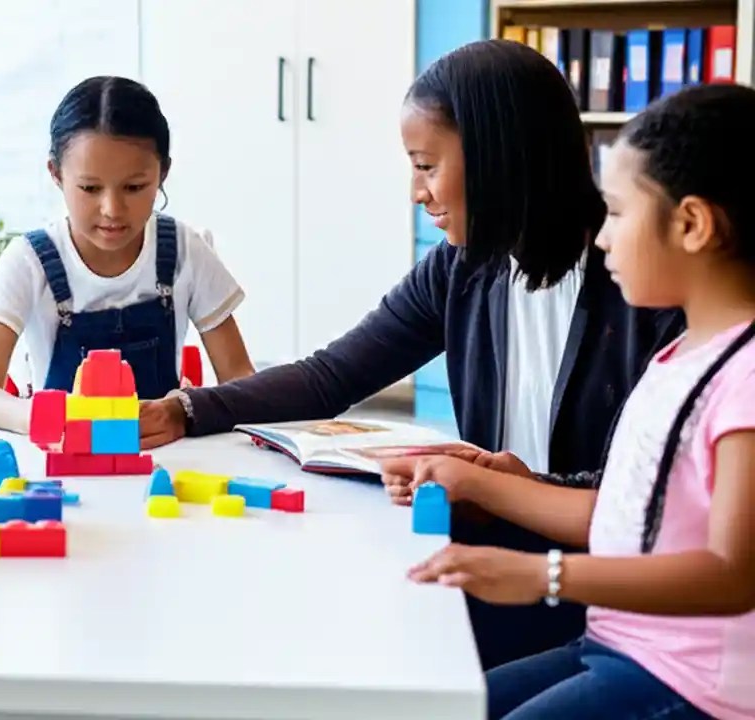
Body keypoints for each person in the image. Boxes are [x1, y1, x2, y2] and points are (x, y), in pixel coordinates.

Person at [138, 39, 684, 669]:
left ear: (495, 156)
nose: (416, 192)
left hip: (592, 582)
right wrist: (188, 408)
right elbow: (332, 375)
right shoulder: (462, 269)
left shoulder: (644, 284)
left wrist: (509, 485)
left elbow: (639, 503)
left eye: (426, 165)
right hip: (487, 544)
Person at [407, 83, 755, 720]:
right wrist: (492, 485)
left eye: (618, 214)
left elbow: (733, 573)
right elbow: (628, 518)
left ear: (693, 224)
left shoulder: (746, 378)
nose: (601, 239)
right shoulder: (680, 358)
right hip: (619, 642)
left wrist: (544, 576)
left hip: (690, 682)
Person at [0, 75, 255, 433]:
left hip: (165, 463)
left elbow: (240, 379)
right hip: (60, 464)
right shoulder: (30, 260)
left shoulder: (184, 249)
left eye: (134, 187)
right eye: (89, 187)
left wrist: (187, 411)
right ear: (56, 174)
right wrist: (42, 417)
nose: (112, 209)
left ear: (163, 172)